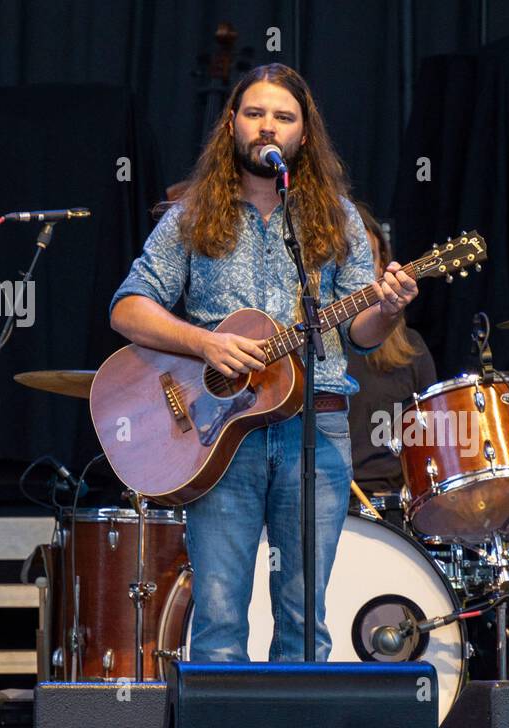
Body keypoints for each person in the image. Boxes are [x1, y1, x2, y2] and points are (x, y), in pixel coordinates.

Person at [109, 64, 419, 662]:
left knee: (306, 624)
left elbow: (360, 333)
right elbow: (128, 306)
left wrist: (388, 307)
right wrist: (205, 345)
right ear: (232, 125)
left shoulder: (337, 217)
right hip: (219, 433)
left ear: (304, 133)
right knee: (221, 619)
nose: (268, 126)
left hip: (317, 427)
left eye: (284, 116)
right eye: (255, 113)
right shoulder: (192, 215)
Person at [346, 203, 438, 509]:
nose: (351, 275)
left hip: (391, 511)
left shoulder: (411, 346)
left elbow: (430, 441)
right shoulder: (298, 346)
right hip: (314, 502)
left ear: (383, 267)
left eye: (363, 261)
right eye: (342, 260)